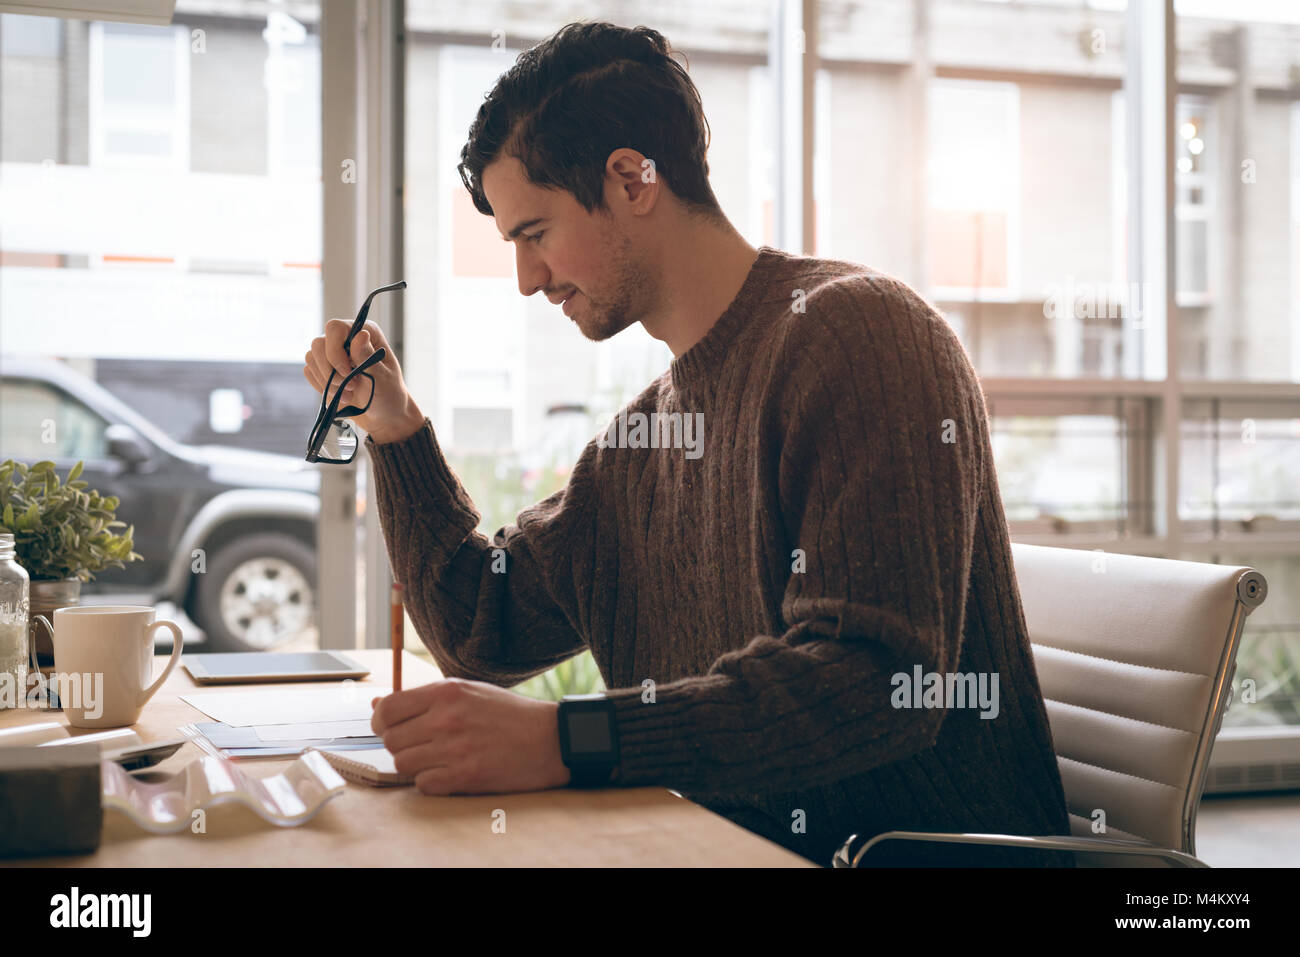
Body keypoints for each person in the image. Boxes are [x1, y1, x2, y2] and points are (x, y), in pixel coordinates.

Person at [303, 21, 1073, 868]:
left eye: (535, 233)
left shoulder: (860, 335)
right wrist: (396, 428)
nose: (526, 279)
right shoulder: (642, 444)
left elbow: (875, 681)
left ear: (634, 179)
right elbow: (480, 631)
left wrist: (568, 739)